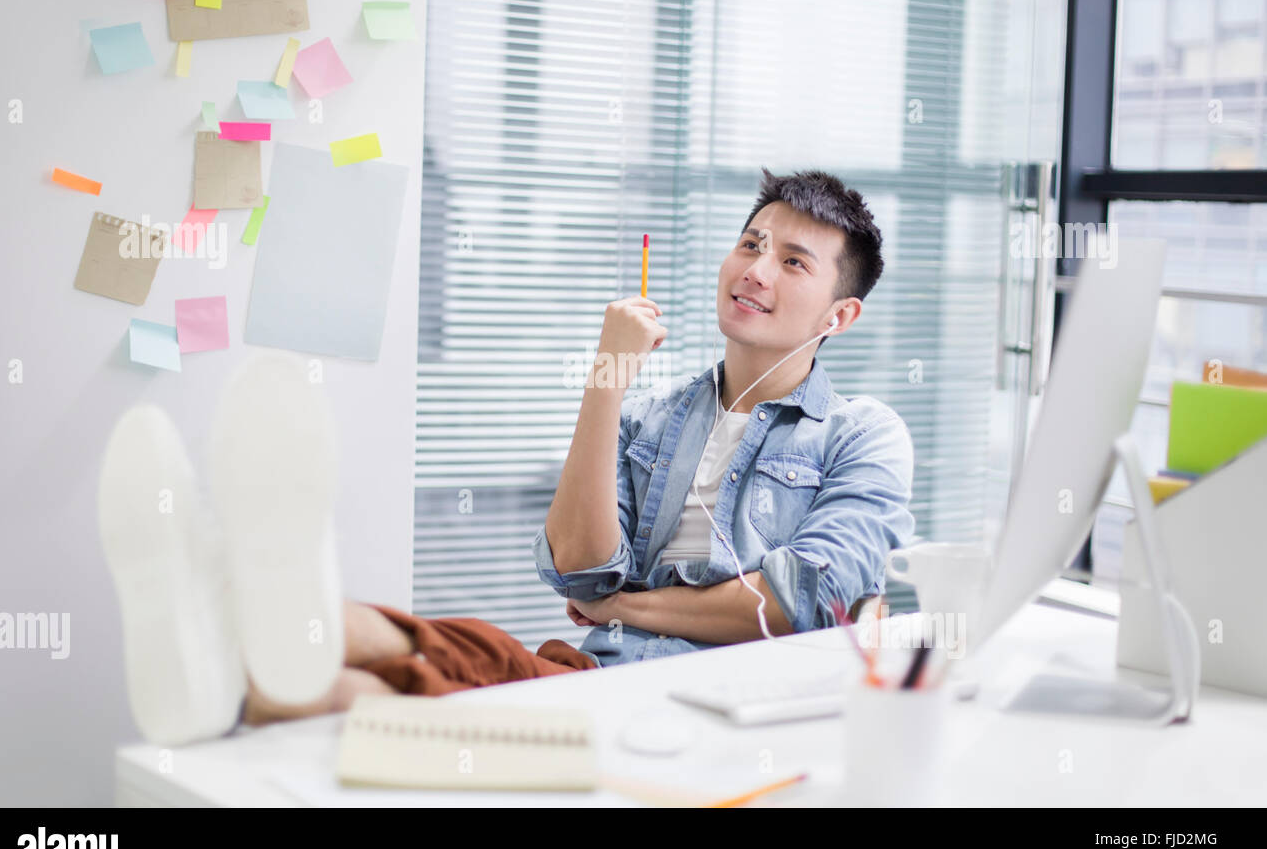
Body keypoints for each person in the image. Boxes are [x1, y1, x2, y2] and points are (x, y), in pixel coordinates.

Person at [98, 167, 914, 747]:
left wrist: (629, 609)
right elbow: (581, 572)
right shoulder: (658, 417)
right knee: (454, 653)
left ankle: (219, 622)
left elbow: (796, 603)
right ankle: (226, 606)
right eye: (750, 242)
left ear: (839, 315)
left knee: (363, 692)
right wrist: (609, 376)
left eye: (793, 261)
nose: (755, 268)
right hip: (592, 675)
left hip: (701, 711)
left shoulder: (860, 436)